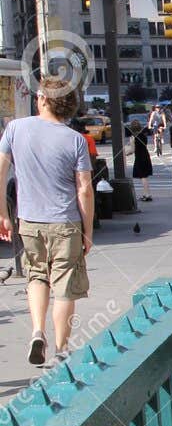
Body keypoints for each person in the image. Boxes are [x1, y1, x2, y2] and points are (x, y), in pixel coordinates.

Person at [0, 77, 94, 366]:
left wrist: (3, 212)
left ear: (42, 99)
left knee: (37, 276)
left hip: (29, 220)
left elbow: (0, 173)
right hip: (65, 222)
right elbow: (84, 189)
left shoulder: (15, 129)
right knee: (65, 285)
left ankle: (37, 331)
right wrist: (87, 231)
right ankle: (61, 350)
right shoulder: (75, 140)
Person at [131, 121, 153, 200]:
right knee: (145, 176)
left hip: (139, 157)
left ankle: (147, 195)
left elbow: (132, 150)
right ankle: (146, 194)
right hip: (146, 155)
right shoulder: (143, 136)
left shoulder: (133, 137)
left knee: (143, 176)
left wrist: (125, 153)